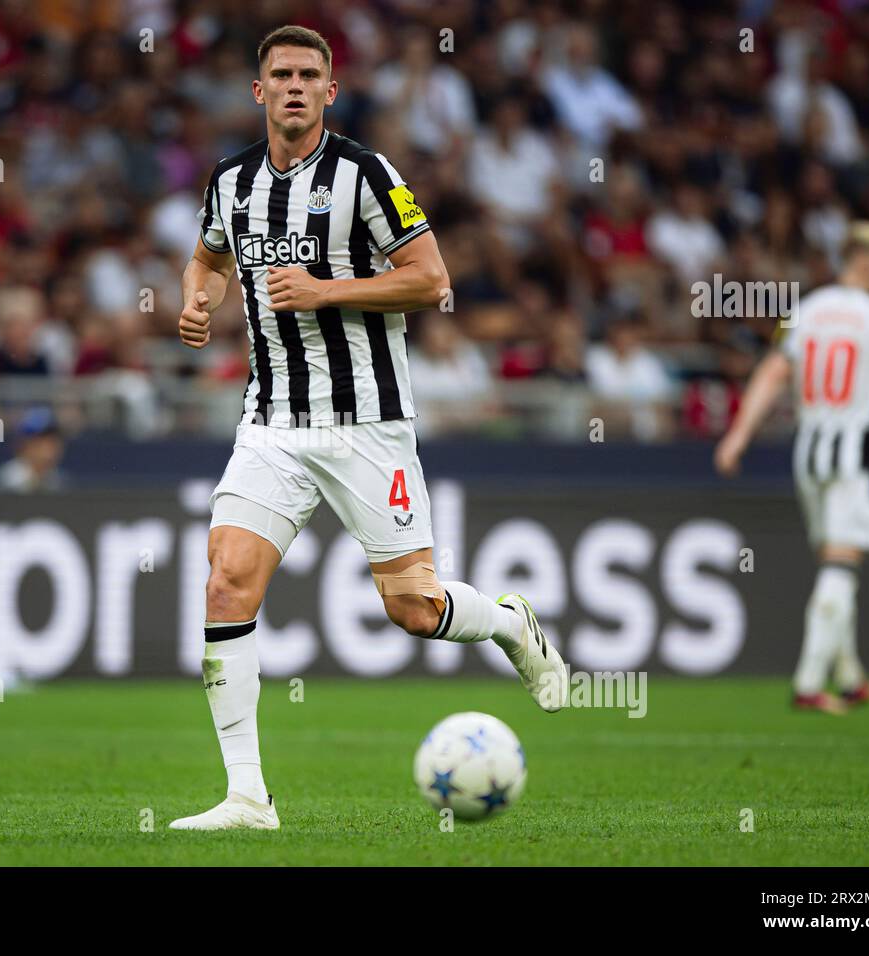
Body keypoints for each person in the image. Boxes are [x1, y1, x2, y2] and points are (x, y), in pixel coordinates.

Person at [172, 25, 567, 831]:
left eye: (307, 75)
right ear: (258, 91)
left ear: (329, 91)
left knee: (414, 609)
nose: (292, 86)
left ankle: (508, 622)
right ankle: (247, 795)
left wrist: (323, 290)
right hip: (272, 423)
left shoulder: (366, 174)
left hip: (368, 426)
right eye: (278, 74)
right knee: (226, 577)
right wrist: (196, 298)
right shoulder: (231, 182)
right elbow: (209, 258)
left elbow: (432, 280)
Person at [715, 221, 869, 714]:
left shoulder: (807, 310)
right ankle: (809, 685)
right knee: (841, 567)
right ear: (867, 258)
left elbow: (773, 373)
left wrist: (736, 437)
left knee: (835, 566)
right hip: (857, 453)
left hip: (809, 453)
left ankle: (850, 674)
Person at [0, 407, 67, 493]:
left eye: (53, 440)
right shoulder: (3, 482)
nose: (49, 448)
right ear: (23, 443)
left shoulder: (61, 483)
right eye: (41, 440)